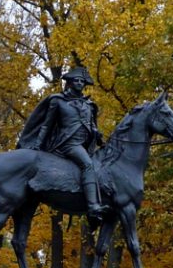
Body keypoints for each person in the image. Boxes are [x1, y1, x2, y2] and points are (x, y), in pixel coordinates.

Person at [15, 66, 108, 219]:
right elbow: (47, 125)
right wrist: (38, 145)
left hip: (85, 146)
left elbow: (92, 126)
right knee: (88, 165)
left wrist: (98, 137)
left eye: (81, 81)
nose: (79, 83)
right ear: (70, 83)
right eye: (76, 80)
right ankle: (93, 206)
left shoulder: (89, 105)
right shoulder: (58, 101)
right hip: (68, 144)